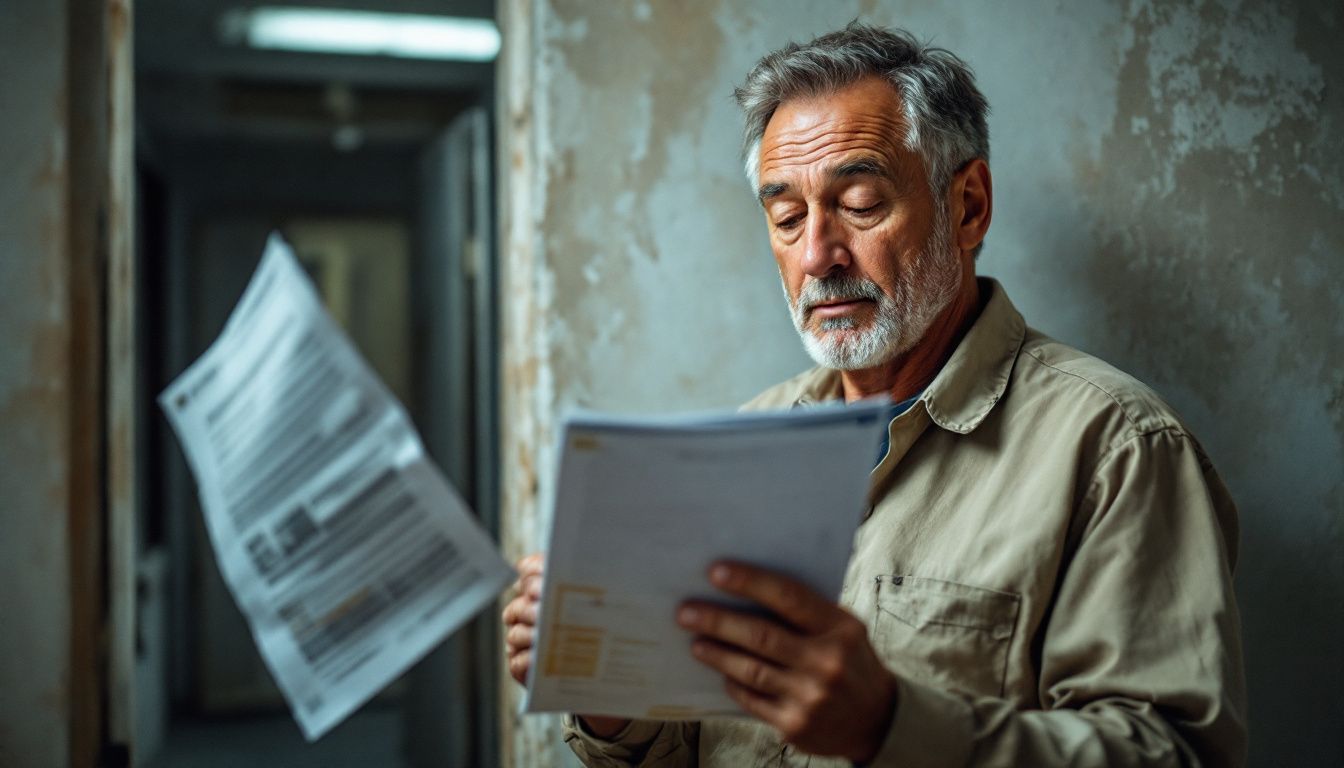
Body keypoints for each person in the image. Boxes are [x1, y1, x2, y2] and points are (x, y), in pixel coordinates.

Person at [502, 22, 1246, 767]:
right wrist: (609, 703)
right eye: (787, 218)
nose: (818, 256)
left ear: (968, 206)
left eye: (858, 204)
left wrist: (890, 724)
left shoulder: (1116, 445)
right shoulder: (745, 442)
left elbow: (1176, 755)